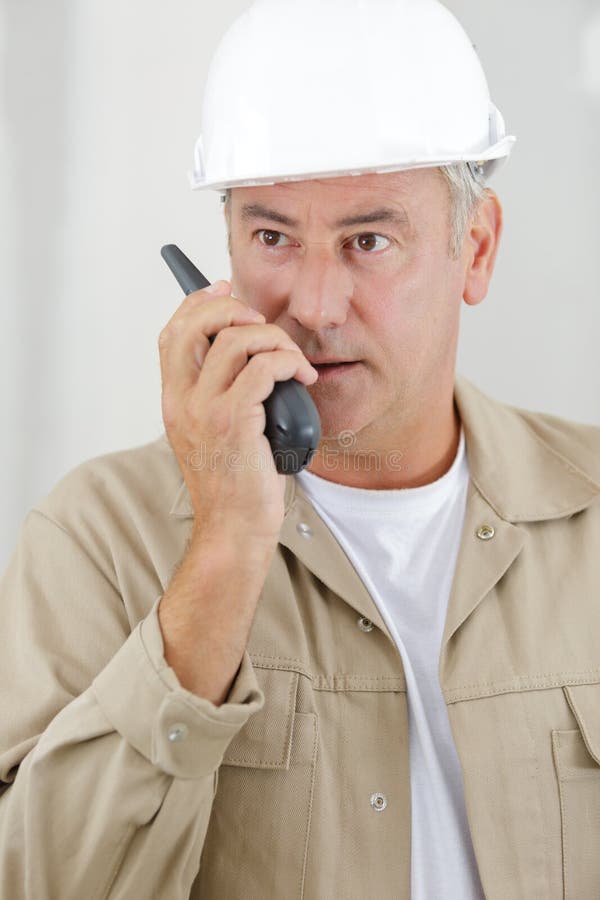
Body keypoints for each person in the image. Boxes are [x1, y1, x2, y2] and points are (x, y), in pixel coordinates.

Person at [1, 0, 599, 897]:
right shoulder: (94, 539)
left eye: (369, 239)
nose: (315, 305)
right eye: (273, 236)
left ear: (472, 250)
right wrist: (226, 548)